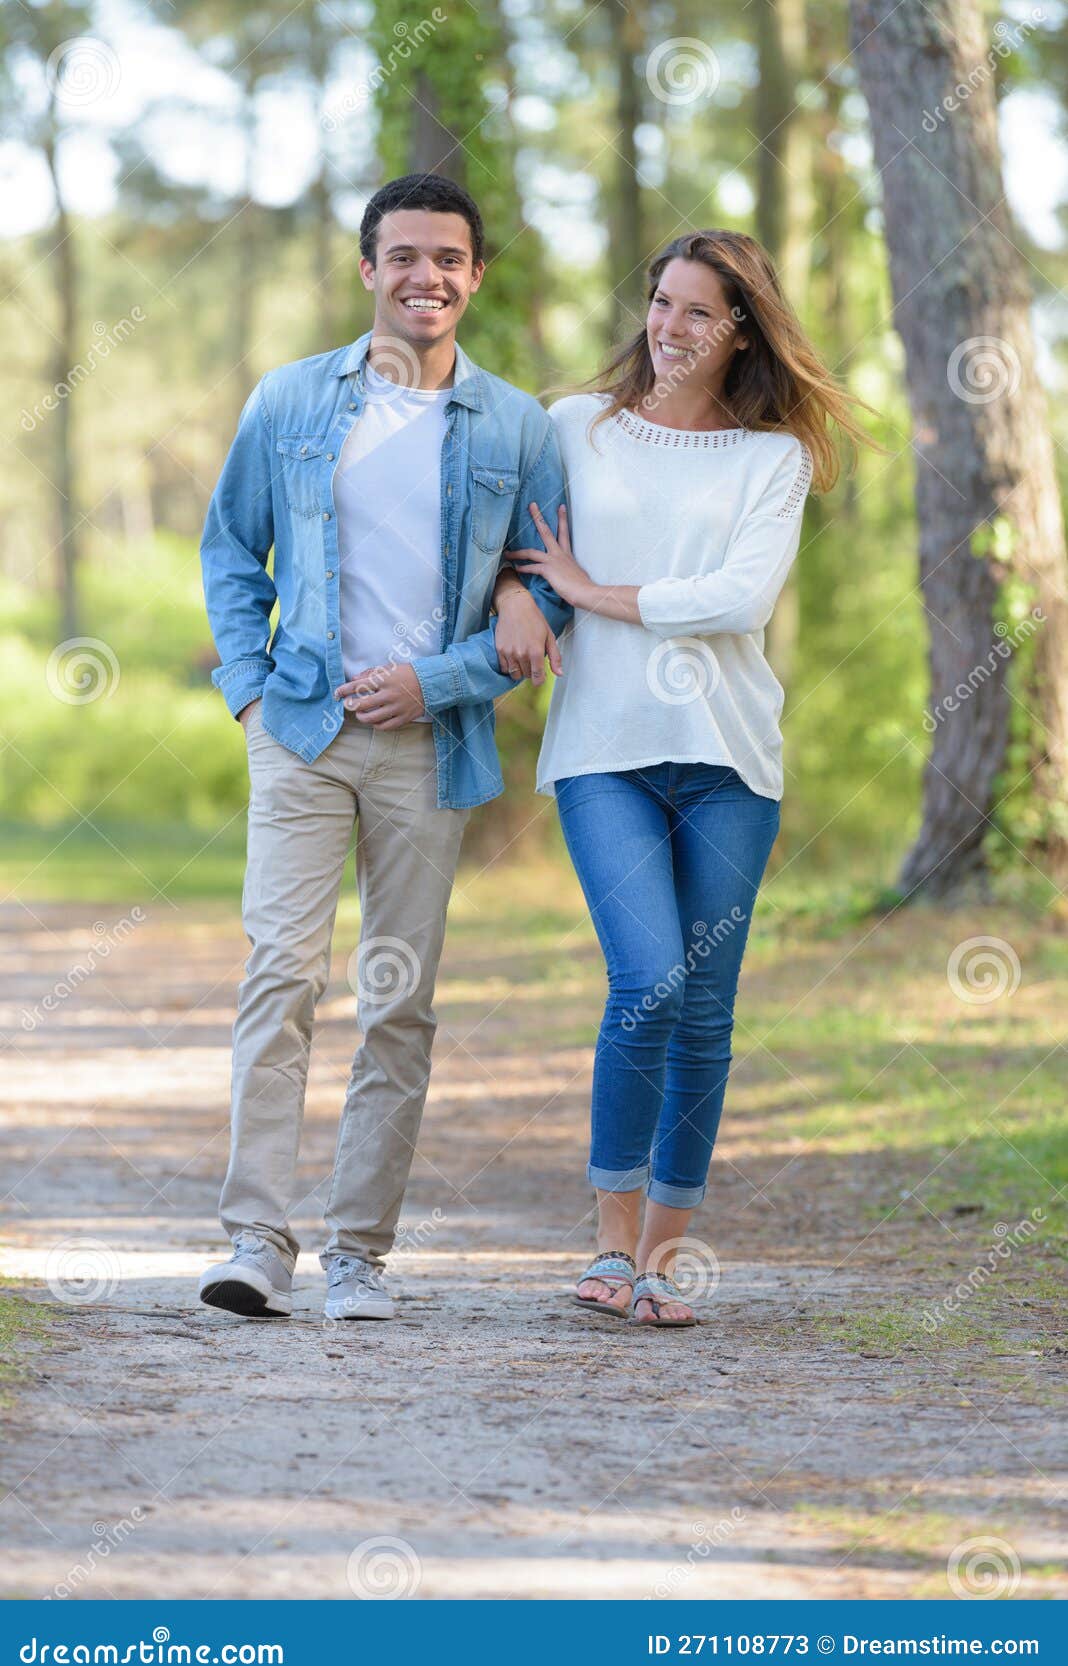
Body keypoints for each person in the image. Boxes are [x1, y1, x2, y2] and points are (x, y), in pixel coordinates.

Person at [197, 173, 566, 1321]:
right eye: (404, 256)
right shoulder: (294, 400)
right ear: (369, 270)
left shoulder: (517, 423)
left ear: (476, 275)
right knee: (280, 979)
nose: (427, 276)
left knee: (397, 998)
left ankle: (359, 1253)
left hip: (430, 745)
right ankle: (258, 1238)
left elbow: (552, 591)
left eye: (449, 258)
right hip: (302, 731)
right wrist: (251, 696)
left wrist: (439, 678)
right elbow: (228, 552)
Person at [502, 230, 869, 1328]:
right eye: (661, 302)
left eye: (698, 312)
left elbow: (738, 601)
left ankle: (662, 1257)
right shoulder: (576, 427)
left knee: (705, 1012)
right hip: (604, 752)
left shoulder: (774, 458)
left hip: (729, 761)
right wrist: (530, 597)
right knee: (648, 982)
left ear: (741, 329)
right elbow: (516, 554)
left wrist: (594, 588)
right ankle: (609, 1243)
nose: (669, 326)